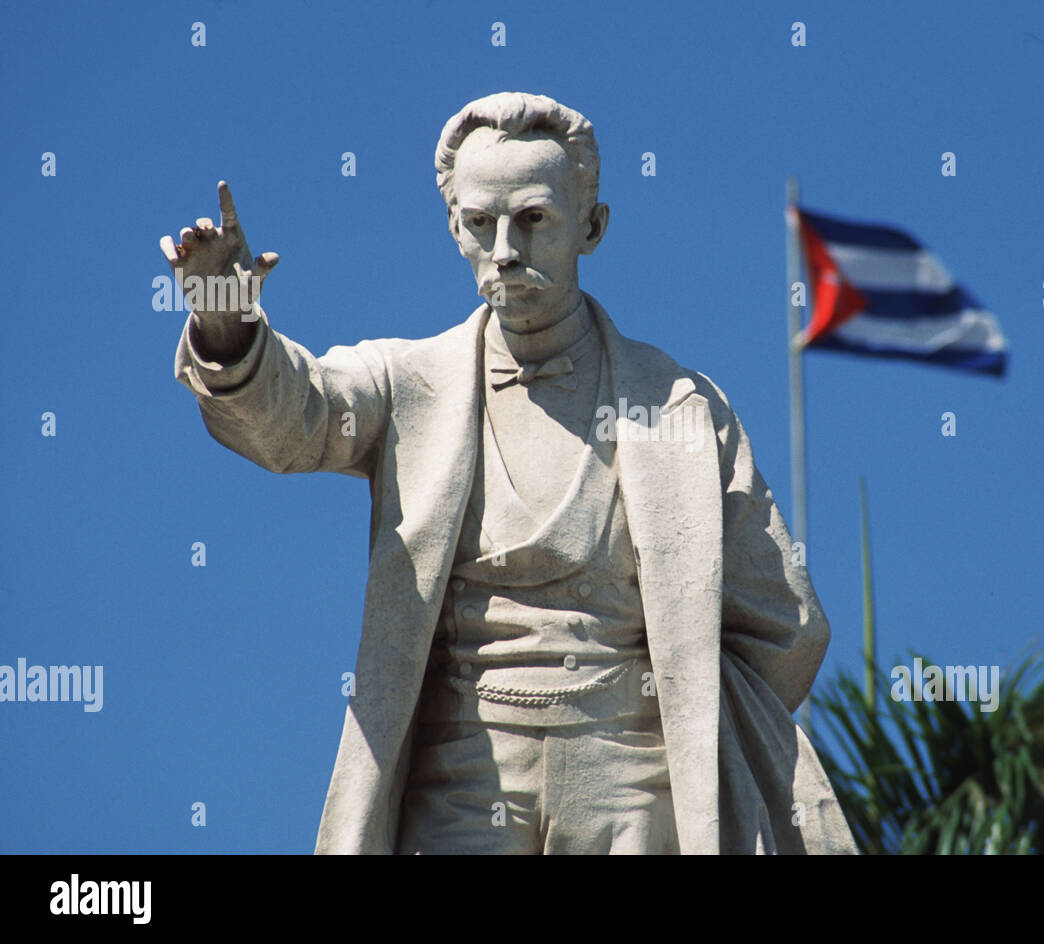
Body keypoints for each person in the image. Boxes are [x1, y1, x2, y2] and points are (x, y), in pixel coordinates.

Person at [164, 91, 855, 854]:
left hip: (632, 780)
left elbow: (786, 628)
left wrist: (685, 720)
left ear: (591, 227)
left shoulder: (683, 408)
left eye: (533, 219)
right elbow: (300, 416)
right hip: (462, 778)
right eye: (479, 223)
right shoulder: (405, 383)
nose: (503, 248)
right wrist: (225, 321)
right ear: (452, 227)